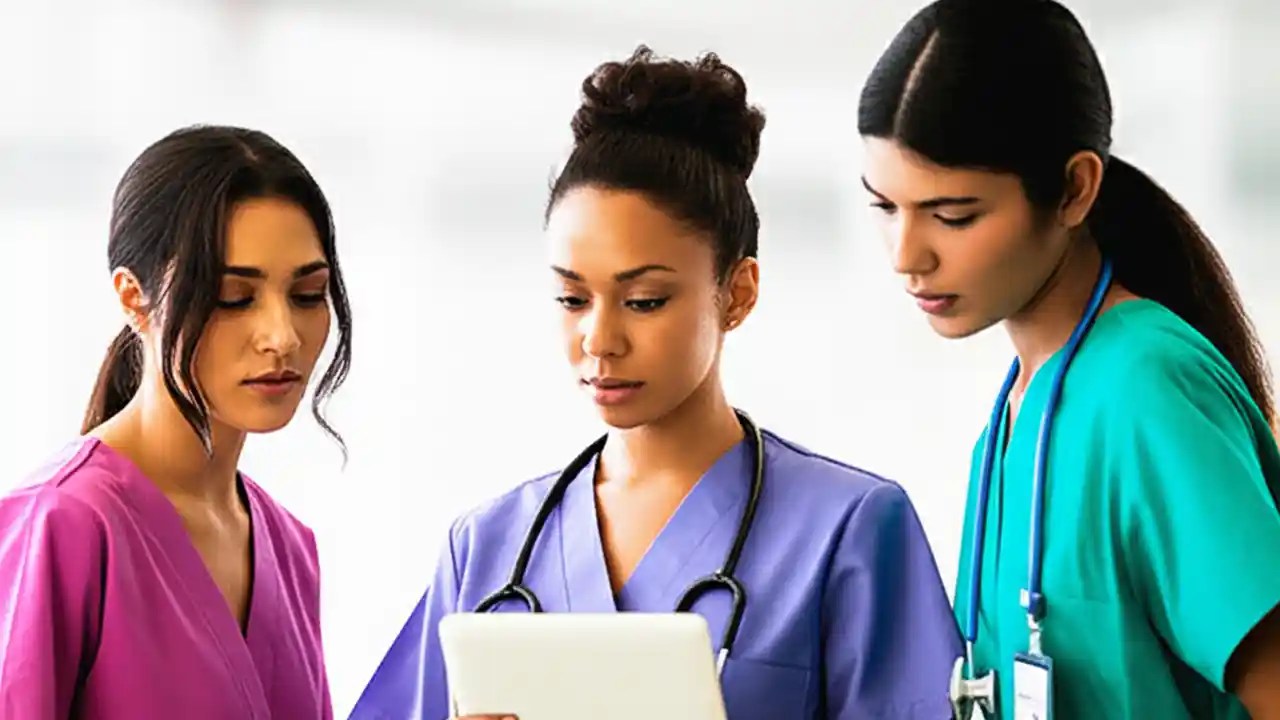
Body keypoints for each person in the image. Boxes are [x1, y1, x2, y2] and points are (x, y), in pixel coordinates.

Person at [349, 46, 960, 720]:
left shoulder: (850, 530)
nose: (600, 340)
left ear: (737, 292)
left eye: (643, 301)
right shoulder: (485, 551)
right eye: (572, 300)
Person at [857, 1, 1280, 717]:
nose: (907, 256)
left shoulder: (1146, 391)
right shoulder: (1019, 410)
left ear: (1076, 188)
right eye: (886, 208)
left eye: (954, 215)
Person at [0, 125, 352, 719]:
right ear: (135, 299)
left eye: (308, 294)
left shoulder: (290, 549)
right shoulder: (63, 524)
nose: (282, 336)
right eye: (234, 298)